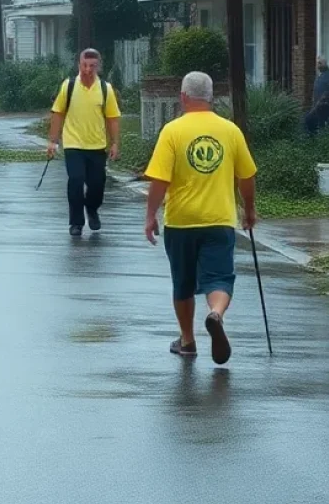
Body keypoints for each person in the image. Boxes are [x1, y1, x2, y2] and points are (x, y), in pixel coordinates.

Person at [144, 71, 257, 364]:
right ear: (211, 97)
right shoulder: (230, 131)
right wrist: (250, 208)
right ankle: (216, 314)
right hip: (219, 219)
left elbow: (159, 180)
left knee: (182, 283)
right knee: (219, 277)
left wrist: (150, 215)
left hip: (181, 221)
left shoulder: (172, 131)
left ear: (183, 97)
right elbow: (247, 175)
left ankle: (188, 341)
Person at [47, 48, 121, 237]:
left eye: (92, 66)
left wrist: (114, 143)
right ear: (78, 65)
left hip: (97, 145)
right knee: (76, 180)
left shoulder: (106, 89)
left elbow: (112, 118)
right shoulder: (68, 86)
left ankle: (92, 209)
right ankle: (76, 222)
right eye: (85, 65)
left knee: (97, 185)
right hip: (73, 144)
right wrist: (52, 141)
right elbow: (58, 113)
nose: (88, 69)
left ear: (98, 67)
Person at [304, 56, 329, 134]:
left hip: (325, 108)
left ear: (325, 64)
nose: (318, 65)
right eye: (318, 63)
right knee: (310, 121)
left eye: (320, 63)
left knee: (308, 120)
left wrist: (315, 109)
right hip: (319, 107)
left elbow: (327, 96)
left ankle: (314, 140)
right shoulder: (321, 76)